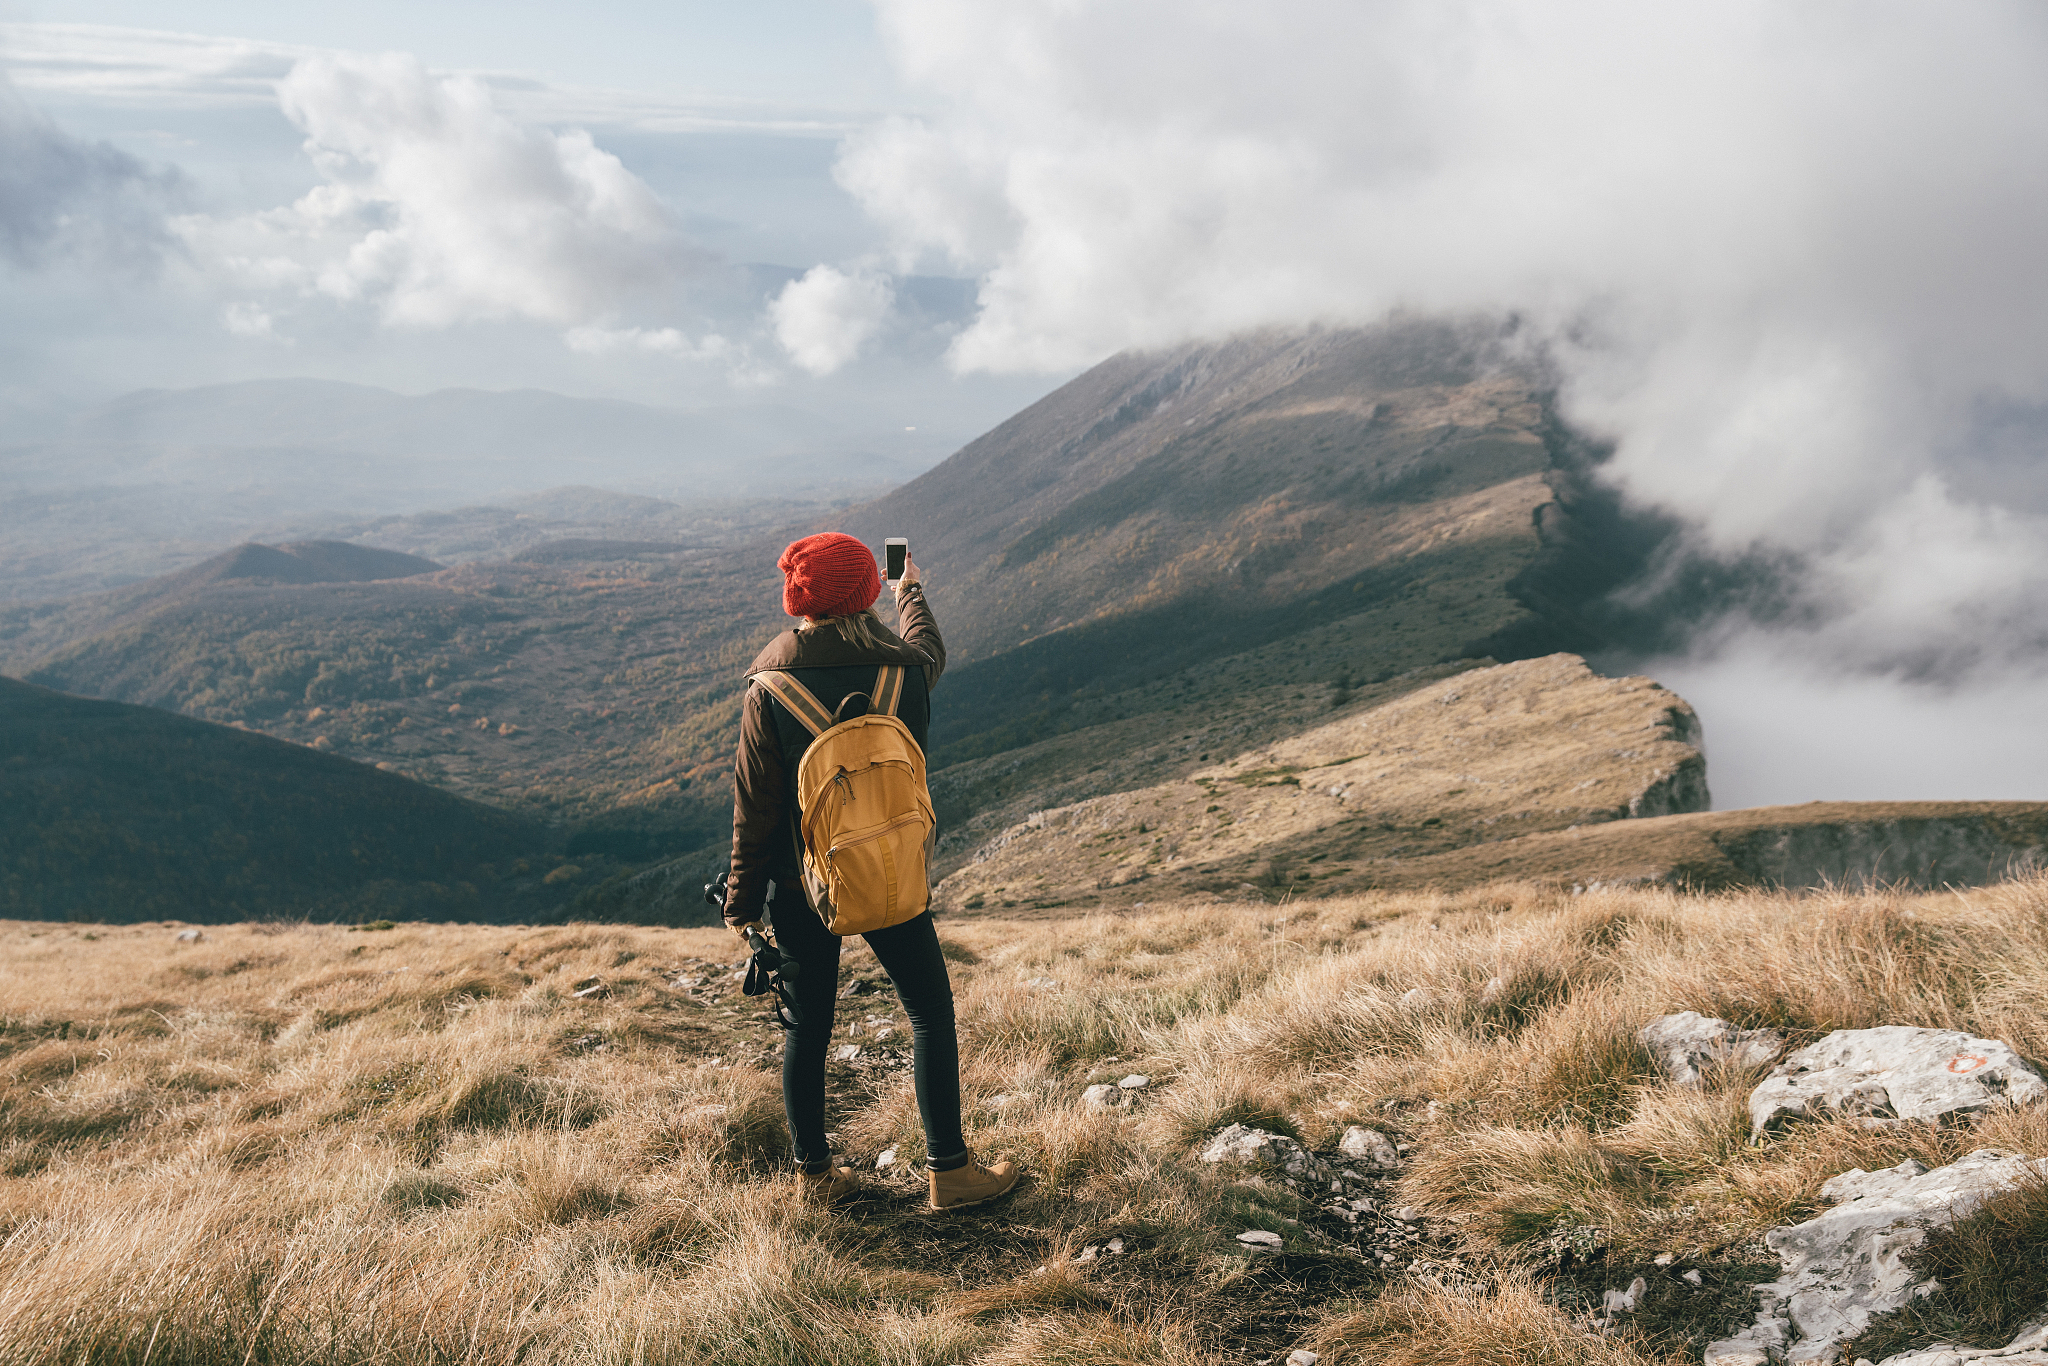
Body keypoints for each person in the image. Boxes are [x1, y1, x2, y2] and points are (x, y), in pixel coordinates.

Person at [723, 531, 1020, 1211]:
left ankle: (817, 1177)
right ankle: (950, 1172)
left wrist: (742, 903)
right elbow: (929, 646)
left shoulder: (770, 685)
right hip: (893, 869)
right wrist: (908, 586)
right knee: (927, 1013)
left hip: (807, 884)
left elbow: (756, 809)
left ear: (797, 598)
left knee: (808, 1028)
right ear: (865, 590)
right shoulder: (906, 670)